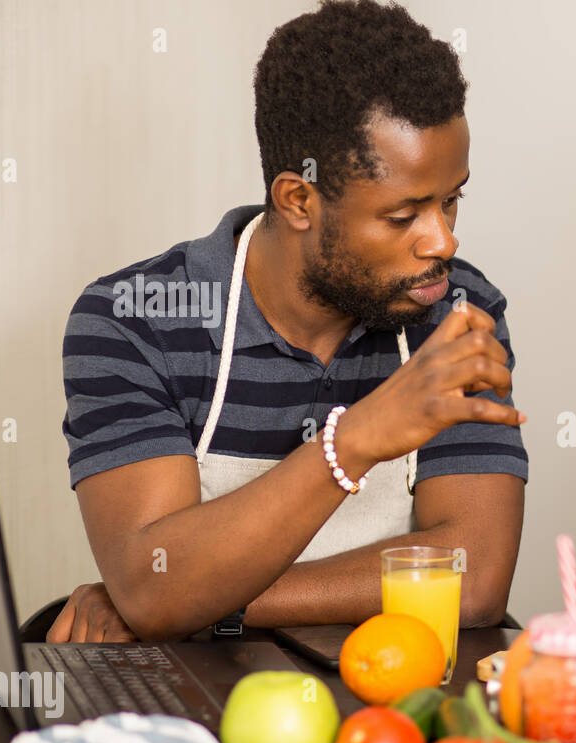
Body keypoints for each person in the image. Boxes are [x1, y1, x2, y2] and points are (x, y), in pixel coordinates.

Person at [53, 0, 526, 643]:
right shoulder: (135, 323)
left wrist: (194, 598)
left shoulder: (457, 314)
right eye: (403, 215)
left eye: (451, 200)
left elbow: (473, 582)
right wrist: (357, 438)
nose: (442, 241)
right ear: (298, 199)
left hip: (395, 715)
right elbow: (157, 580)